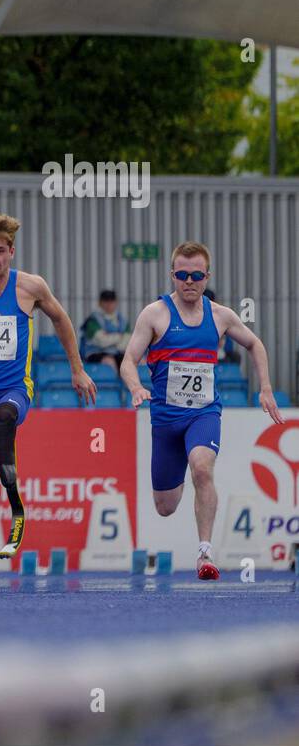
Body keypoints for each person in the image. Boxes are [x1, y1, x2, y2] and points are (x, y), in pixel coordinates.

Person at [0, 212, 96, 592]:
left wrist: (77, 369)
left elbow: (62, 320)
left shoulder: (31, 287)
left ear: (11, 251)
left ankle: (11, 483)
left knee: (5, 416)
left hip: (14, 391)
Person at [120, 242, 284, 580]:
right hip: (165, 420)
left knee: (202, 468)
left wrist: (265, 388)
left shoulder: (221, 316)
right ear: (172, 275)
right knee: (165, 507)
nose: (189, 281)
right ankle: (176, 476)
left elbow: (255, 343)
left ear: (207, 276)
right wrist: (136, 386)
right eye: (182, 275)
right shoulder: (154, 314)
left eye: (196, 275)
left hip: (204, 414)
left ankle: (205, 553)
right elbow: (127, 361)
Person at [80, 290, 130, 372]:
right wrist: (120, 336)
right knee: (109, 362)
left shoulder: (123, 321)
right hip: (95, 353)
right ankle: (113, 385)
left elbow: (127, 342)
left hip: (118, 353)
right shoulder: (93, 320)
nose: (109, 304)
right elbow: (102, 341)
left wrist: (110, 338)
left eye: (112, 301)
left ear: (116, 302)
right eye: (106, 301)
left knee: (135, 362)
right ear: (100, 302)